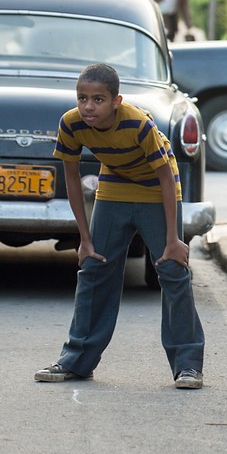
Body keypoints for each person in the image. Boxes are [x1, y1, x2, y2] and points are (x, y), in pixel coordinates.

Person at [35, 63, 206, 388]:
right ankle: (76, 361)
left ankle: (188, 365)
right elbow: (71, 179)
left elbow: (167, 176)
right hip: (114, 185)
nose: (88, 106)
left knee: (172, 271)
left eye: (98, 99)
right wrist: (85, 239)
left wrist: (173, 240)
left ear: (116, 101)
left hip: (158, 189)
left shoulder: (138, 124)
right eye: (82, 98)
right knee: (94, 269)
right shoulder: (71, 124)